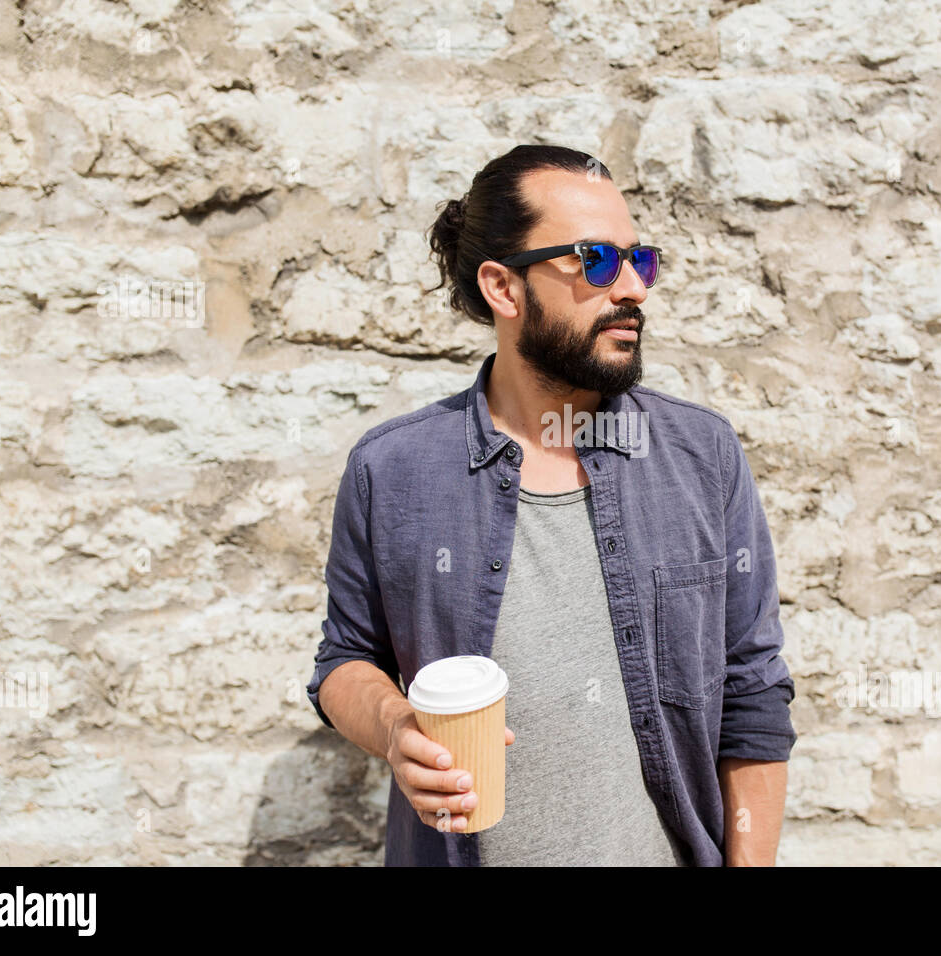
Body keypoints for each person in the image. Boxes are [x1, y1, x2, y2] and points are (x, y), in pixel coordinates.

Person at [306, 143, 797, 866]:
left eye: (641, 260)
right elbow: (345, 659)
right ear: (504, 288)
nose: (633, 287)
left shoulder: (701, 456)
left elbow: (753, 693)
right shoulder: (393, 469)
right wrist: (392, 725)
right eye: (597, 260)